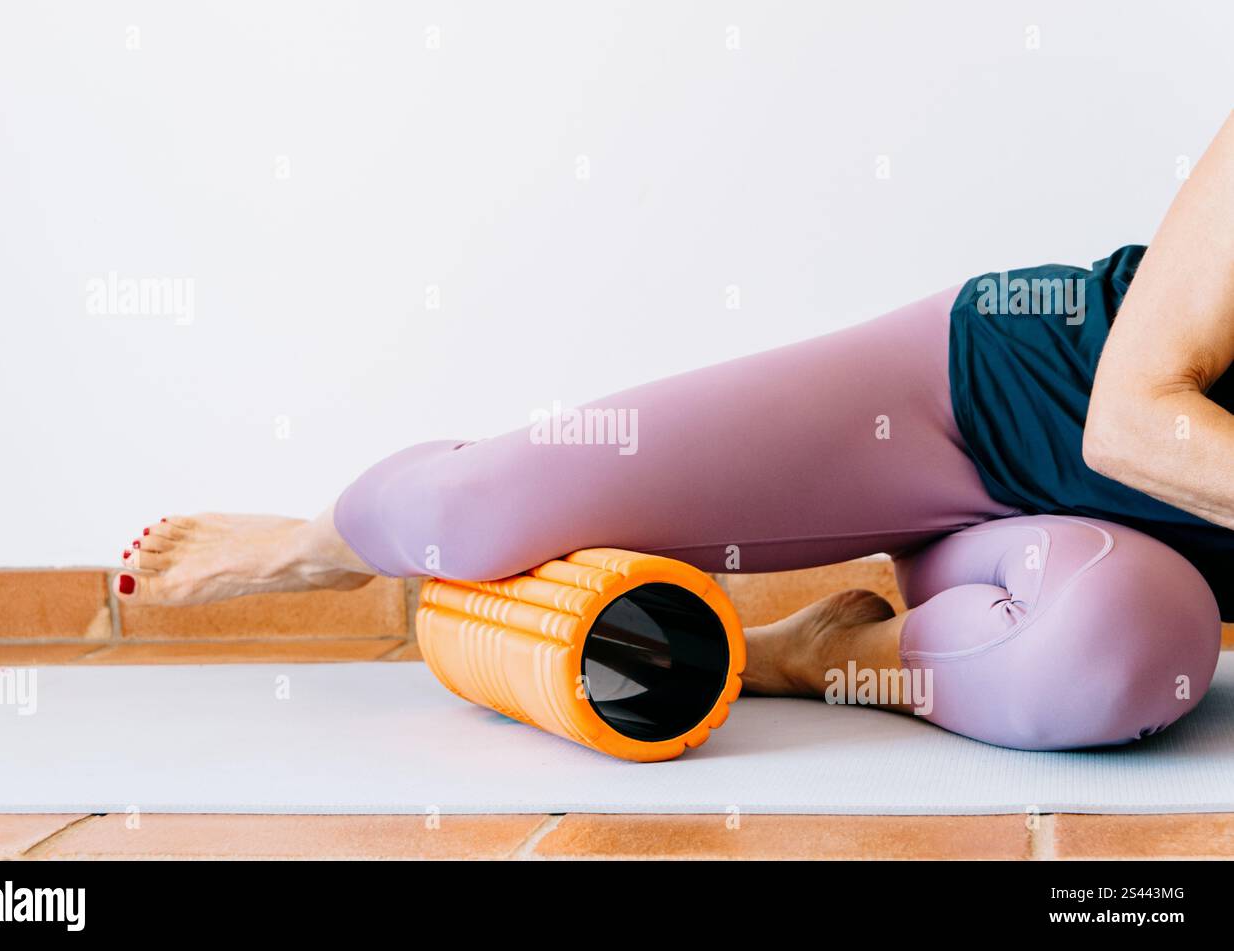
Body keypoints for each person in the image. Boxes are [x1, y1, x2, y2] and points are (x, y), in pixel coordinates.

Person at [112, 112, 1234, 751]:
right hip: (977, 404)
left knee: (1119, 664)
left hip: (1134, 558)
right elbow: (1130, 418)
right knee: (474, 518)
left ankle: (802, 657)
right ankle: (318, 544)